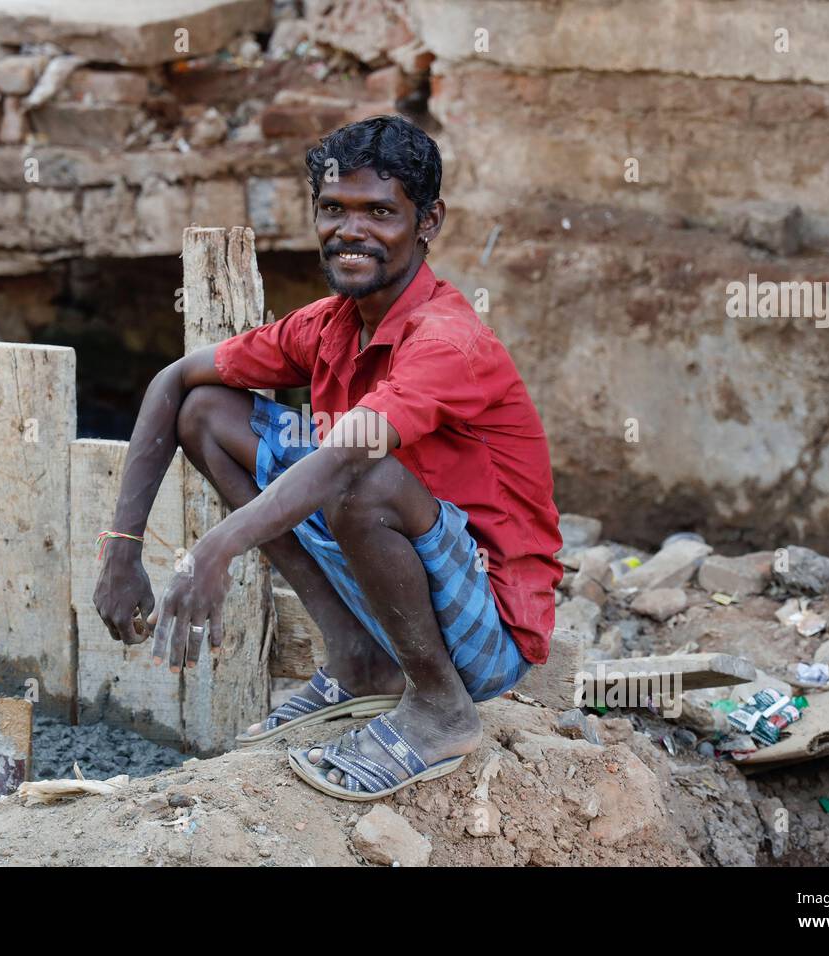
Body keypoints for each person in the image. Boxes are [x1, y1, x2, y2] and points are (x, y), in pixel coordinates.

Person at [93, 114, 563, 800]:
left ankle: (440, 708)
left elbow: (351, 461)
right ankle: (359, 660)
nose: (352, 230)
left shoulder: (446, 340)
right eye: (334, 210)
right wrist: (121, 549)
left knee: (359, 469)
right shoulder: (328, 325)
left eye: (380, 212)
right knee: (207, 412)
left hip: (487, 627)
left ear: (427, 221)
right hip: (397, 583)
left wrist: (214, 550)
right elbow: (174, 382)